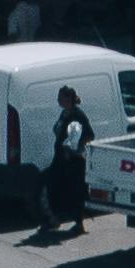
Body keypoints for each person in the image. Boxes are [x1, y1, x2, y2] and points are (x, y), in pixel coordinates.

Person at [30, 82, 94, 241]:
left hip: (73, 162)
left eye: (60, 97)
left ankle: (78, 223)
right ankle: (53, 219)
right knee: (51, 187)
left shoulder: (78, 115)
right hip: (60, 160)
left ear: (68, 98)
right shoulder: (64, 114)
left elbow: (89, 135)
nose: (58, 100)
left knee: (75, 191)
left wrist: (74, 146)